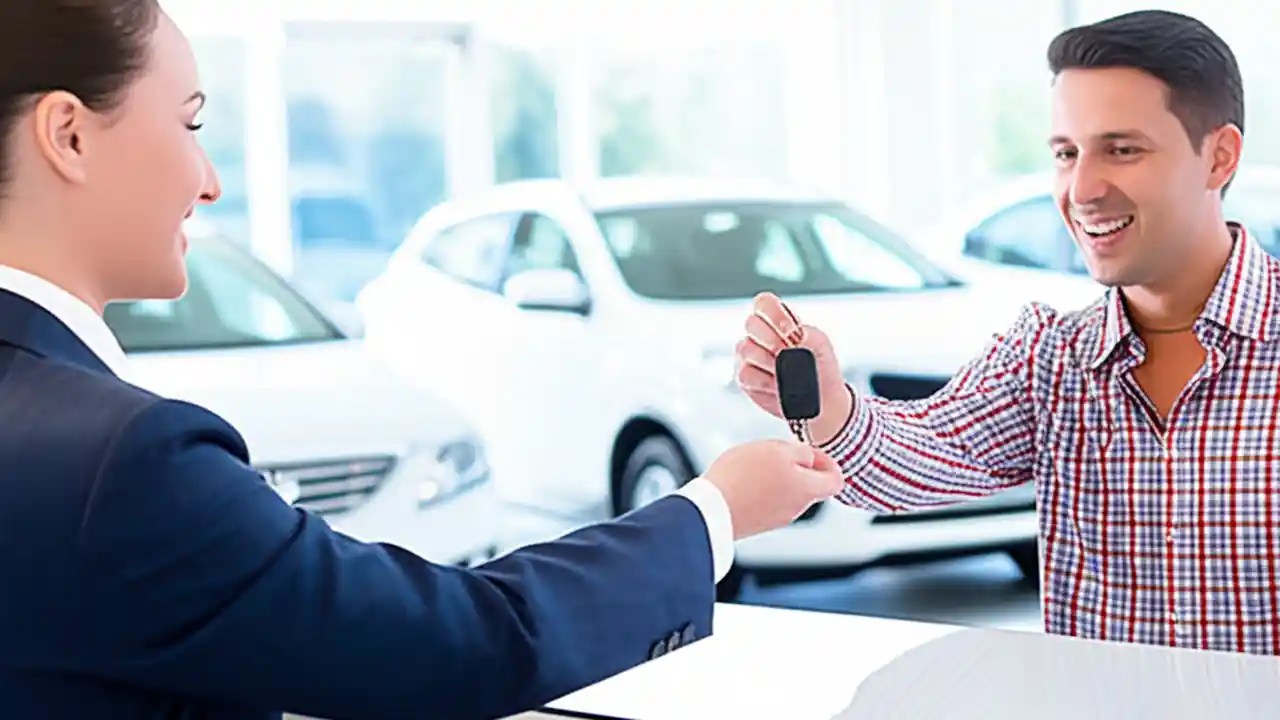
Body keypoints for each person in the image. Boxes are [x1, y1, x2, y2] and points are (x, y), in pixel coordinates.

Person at [0, 3, 845, 719]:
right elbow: (459, 643)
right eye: (190, 124)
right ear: (69, 135)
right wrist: (715, 512)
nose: (210, 180)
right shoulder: (124, 462)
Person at [739, 10, 1280, 656]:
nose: (1082, 189)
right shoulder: (1051, 356)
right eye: (1066, 154)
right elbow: (927, 451)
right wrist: (830, 405)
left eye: (1122, 150)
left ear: (1219, 156)